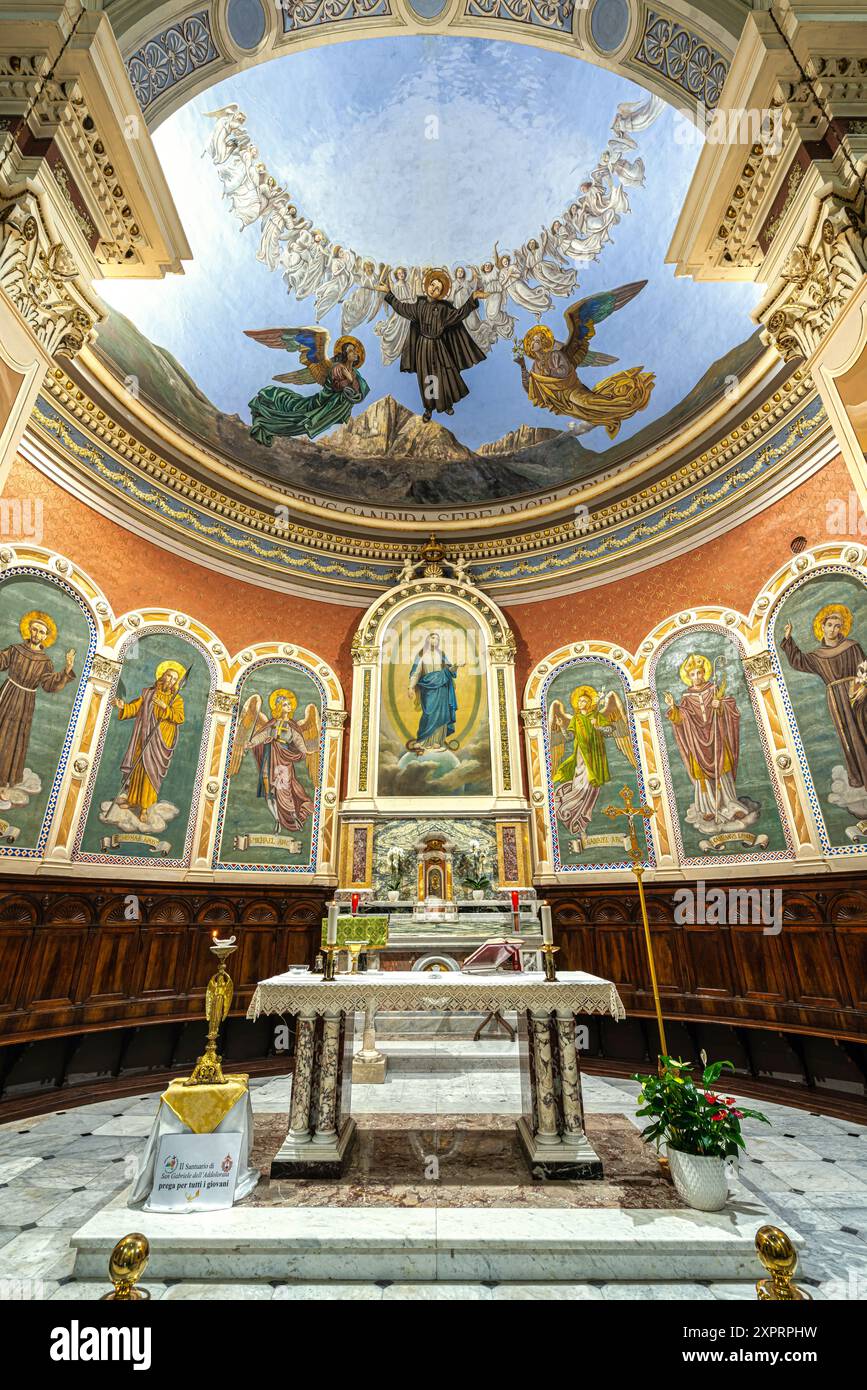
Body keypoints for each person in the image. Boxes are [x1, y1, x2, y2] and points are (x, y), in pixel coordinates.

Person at [381, 267, 487, 421]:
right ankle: (429, 408)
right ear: (427, 285)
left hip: (439, 347)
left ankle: (447, 404)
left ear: (441, 293)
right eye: (432, 285)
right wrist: (389, 294)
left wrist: (472, 299)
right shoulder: (419, 305)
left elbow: (458, 315)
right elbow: (402, 308)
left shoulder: (444, 309)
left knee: (445, 375)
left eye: (438, 288)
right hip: (423, 347)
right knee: (427, 378)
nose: (433, 289)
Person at [781, 604, 867, 791]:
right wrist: (788, 640)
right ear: (823, 626)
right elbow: (799, 661)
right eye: (830, 625)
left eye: (837, 626)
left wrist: (863, 690)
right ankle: (860, 775)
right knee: (848, 735)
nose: (833, 630)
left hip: (858, 694)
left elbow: (864, 668)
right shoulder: (817, 655)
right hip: (836, 699)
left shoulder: (852, 647)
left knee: (864, 729)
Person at [0, 611, 76, 799]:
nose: (37, 634)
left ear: (45, 637)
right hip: (8, 694)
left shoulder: (45, 662)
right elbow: (1, 661)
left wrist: (67, 670)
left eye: (41, 632)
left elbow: (49, 685)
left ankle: (2, 783)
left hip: (25, 702)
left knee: (15, 739)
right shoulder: (15, 649)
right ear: (28, 630)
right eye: (34, 629)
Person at [113, 660, 185, 824]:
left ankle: (145, 808)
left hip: (160, 740)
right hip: (143, 736)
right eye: (168, 676)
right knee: (138, 768)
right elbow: (136, 708)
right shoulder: (149, 693)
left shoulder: (177, 700)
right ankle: (132, 800)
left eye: (174, 679)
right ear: (162, 676)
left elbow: (179, 717)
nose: (170, 680)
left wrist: (166, 707)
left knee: (149, 771)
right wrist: (123, 706)